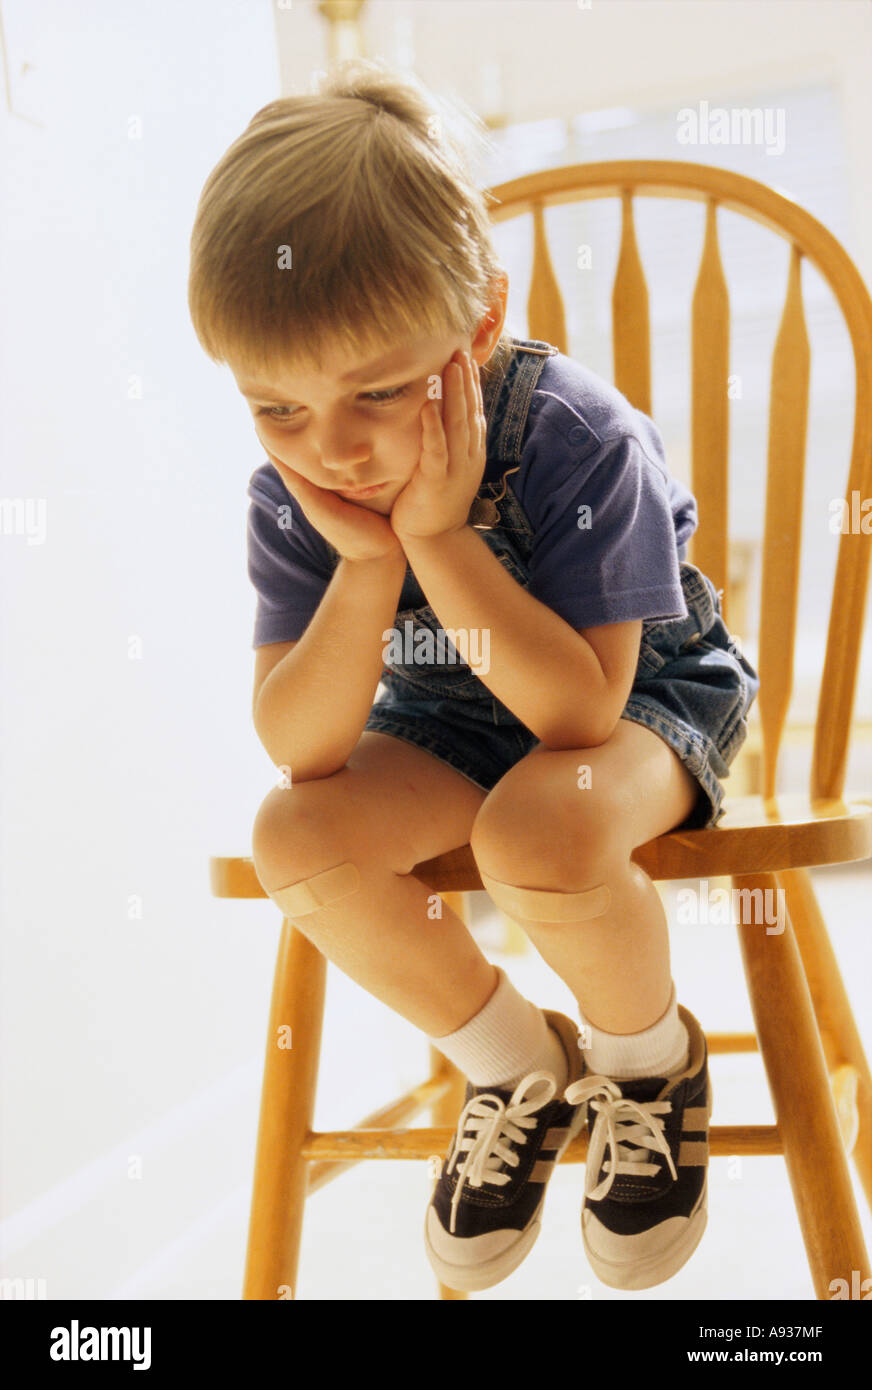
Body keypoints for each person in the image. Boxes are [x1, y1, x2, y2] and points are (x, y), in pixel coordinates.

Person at [188, 58, 760, 1296]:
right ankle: (513, 1063)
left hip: (639, 703)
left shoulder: (572, 434)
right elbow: (302, 739)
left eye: (378, 392)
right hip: (447, 719)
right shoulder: (302, 500)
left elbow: (574, 711)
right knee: (297, 833)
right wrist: (358, 571)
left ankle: (646, 1060)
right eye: (274, 408)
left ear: (480, 324)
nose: (330, 447)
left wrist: (440, 539)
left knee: (538, 830)